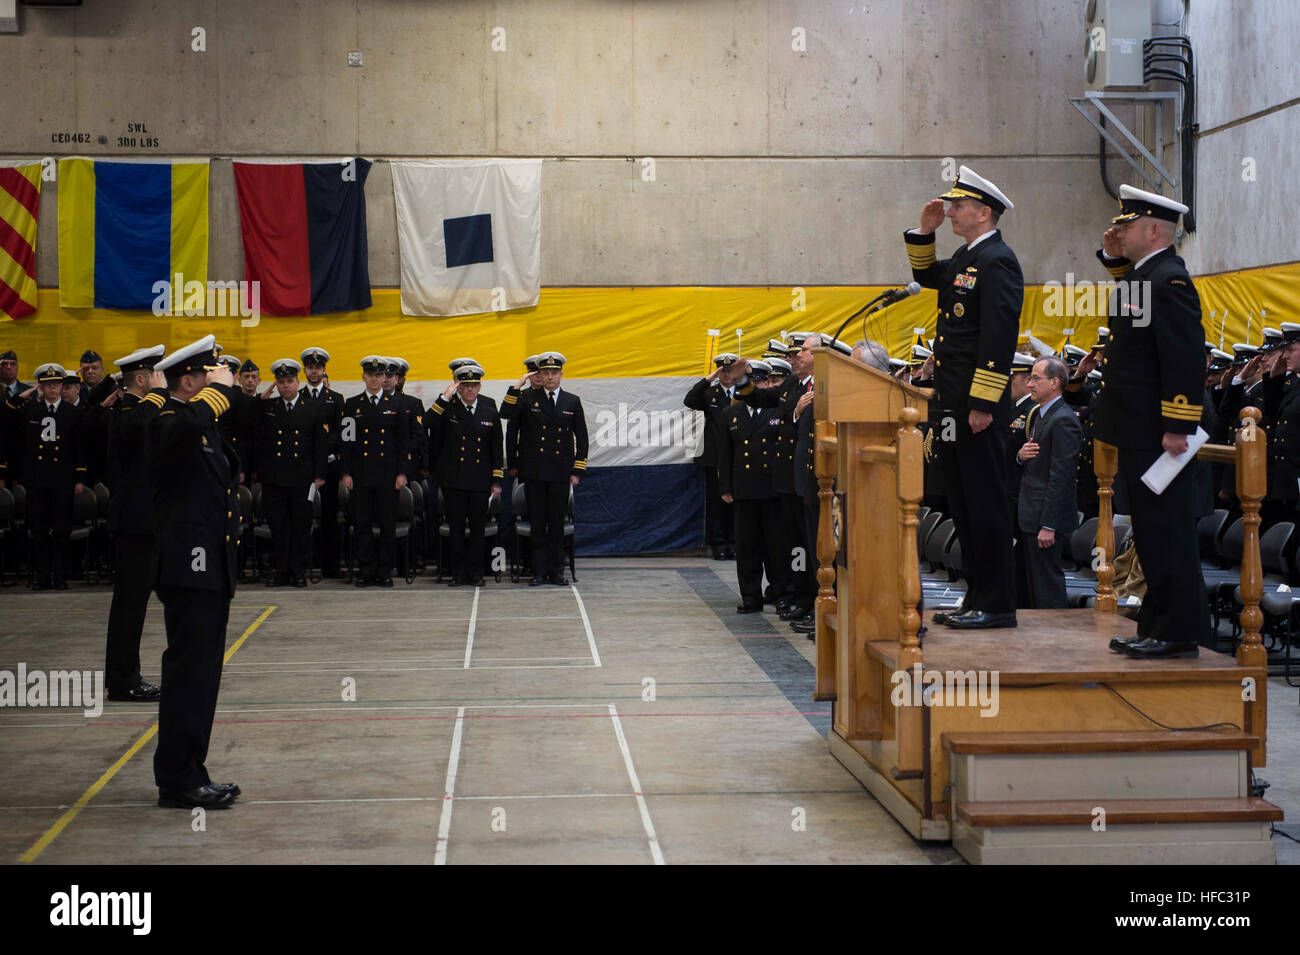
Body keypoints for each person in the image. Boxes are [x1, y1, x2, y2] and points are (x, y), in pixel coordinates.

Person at [904, 164, 1022, 629]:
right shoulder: (967, 257)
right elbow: (930, 275)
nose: (950, 211)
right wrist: (923, 232)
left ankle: (997, 604)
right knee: (963, 505)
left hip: (976, 409)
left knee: (986, 505)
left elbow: (998, 339)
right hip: (951, 404)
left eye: (958, 206)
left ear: (984, 212)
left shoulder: (998, 260)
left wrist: (982, 404)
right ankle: (977, 595)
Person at [1094, 184, 1208, 658]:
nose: (1119, 230)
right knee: (1151, 532)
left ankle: (1179, 631)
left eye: (1128, 225)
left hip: (1161, 436)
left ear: (1154, 230)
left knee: (1167, 532)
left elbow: (1183, 356)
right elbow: (1132, 310)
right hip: (1139, 430)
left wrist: (1178, 425)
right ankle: (1157, 623)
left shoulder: (1171, 282)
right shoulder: (1149, 276)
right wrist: (1113, 256)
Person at [150, 335, 241, 809]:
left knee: (201, 676)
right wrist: (214, 396)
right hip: (189, 569)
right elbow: (176, 434)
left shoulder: (200, 425)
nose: (220, 381)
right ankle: (180, 778)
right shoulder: (168, 418)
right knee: (189, 673)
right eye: (211, 374)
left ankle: (189, 770)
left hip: (208, 570)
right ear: (190, 380)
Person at [103, 345, 167, 702]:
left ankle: (124, 676)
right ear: (140, 379)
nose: (160, 381)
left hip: (143, 522)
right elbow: (135, 427)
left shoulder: (132, 409)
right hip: (134, 523)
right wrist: (156, 396)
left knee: (134, 605)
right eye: (154, 376)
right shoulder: (128, 410)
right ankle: (124, 679)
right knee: (129, 606)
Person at [500, 351, 588, 586]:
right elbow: (505, 414)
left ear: (561, 374)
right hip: (535, 471)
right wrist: (517, 386)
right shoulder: (527, 398)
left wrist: (577, 470)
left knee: (557, 524)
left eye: (554, 373)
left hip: (560, 472)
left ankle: (557, 572)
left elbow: (582, 437)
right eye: (545, 373)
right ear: (539, 374)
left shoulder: (572, 401)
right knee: (538, 523)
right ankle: (538, 572)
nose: (550, 377)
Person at [10, 363, 86, 589]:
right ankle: (42, 576)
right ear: (40, 387)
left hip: (62, 478)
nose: (52, 389)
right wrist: (20, 397)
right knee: (39, 530)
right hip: (37, 479)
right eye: (47, 385)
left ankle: (60, 576)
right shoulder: (31, 410)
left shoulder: (73, 413)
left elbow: (79, 446)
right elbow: (7, 419)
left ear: (62, 386)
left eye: (56, 384)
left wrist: (80, 477)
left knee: (62, 530)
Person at [1015, 357, 1082, 609]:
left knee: (1047, 588)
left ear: (1054, 383)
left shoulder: (1062, 419)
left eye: (1035, 378)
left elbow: (1061, 477)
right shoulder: (1043, 415)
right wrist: (1020, 457)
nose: (1029, 384)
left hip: (1044, 519)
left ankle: (1055, 637)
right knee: (1033, 588)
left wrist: (1049, 525)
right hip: (1032, 514)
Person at [717, 360, 784, 613]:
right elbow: (725, 454)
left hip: (773, 489)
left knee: (776, 546)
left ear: (766, 383)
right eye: (749, 381)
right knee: (747, 548)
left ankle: (779, 591)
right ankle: (750, 596)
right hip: (744, 490)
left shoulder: (777, 410)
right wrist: (725, 486)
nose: (754, 386)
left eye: (759, 381)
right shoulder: (730, 414)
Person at [428, 362, 503, 586]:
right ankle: (458, 573)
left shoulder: (489, 412)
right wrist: (443, 397)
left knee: (478, 531)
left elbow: (496, 449)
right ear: (458, 387)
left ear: (479, 387)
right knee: (457, 530)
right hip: (455, 480)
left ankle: (476, 573)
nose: (470, 390)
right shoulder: (448, 410)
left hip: (480, 481)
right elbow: (427, 423)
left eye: (474, 385)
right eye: (465, 386)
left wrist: (497, 480)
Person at [340, 355, 412, 587]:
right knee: (362, 526)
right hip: (360, 476)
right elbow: (346, 442)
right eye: (370, 374)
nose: (374, 379)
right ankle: (366, 571)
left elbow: (403, 442)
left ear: (385, 377)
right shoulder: (352, 405)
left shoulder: (397, 405)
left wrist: (402, 473)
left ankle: (384, 571)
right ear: (363, 377)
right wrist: (346, 473)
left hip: (388, 476)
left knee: (387, 525)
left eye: (379, 374)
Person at [258, 359, 327, 587]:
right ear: (276, 384)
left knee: (300, 527)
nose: (286, 385)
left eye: (289, 381)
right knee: (278, 527)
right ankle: (281, 571)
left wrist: (319, 476)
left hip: (302, 478)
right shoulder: (268, 407)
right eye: (281, 382)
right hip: (274, 478)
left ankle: (298, 572)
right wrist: (259, 404)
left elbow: (320, 445)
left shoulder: (313, 408)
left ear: (298, 382)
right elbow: (254, 434)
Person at [684, 353, 745, 560]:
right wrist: (709, 379)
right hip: (715, 458)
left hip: (739, 457)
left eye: (730, 370)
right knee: (717, 503)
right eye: (723, 370)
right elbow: (689, 400)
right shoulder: (711, 393)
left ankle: (735, 542)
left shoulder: (744, 393)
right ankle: (718, 543)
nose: (727, 375)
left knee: (737, 502)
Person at [300, 347, 346, 576]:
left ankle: (330, 567)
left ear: (324, 369)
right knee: (303, 516)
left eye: (318, 367)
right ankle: (305, 564)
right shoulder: (298, 397)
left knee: (329, 517)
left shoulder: (336, 399)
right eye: (310, 367)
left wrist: (324, 446)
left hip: (329, 466)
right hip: (304, 467)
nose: (314, 371)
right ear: (305, 370)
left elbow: (344, 432)